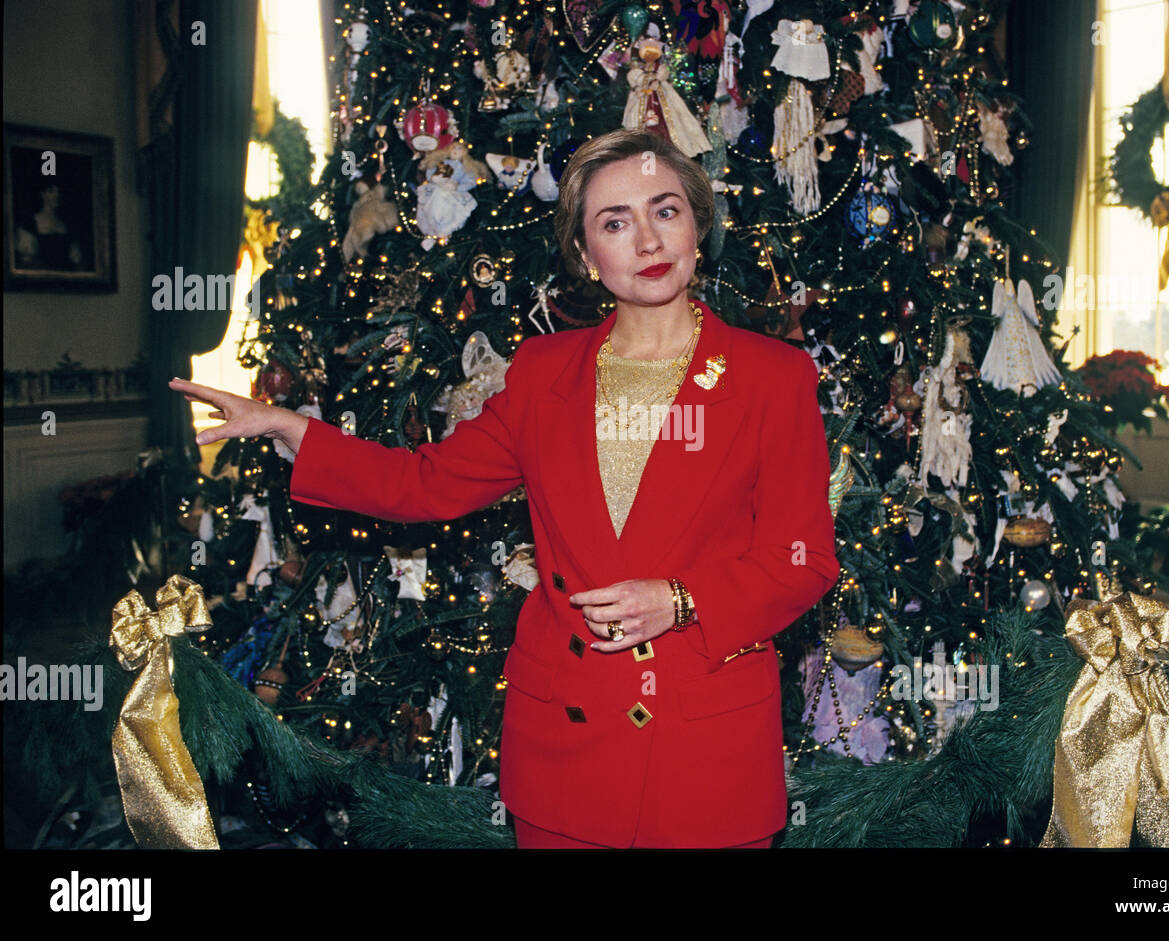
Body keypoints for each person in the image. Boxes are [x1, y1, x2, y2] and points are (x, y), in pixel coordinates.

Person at [169, 128, 839, 849]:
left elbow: (803, 559)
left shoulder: (773, 377)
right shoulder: (543, 371)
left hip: (706, 753)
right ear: (586, 255)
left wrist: (679, 600)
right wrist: (292, 428)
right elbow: (425, 485)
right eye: (614, 222)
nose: (646, 239)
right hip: (565, 748)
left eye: (665, 210)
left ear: (698, 226)